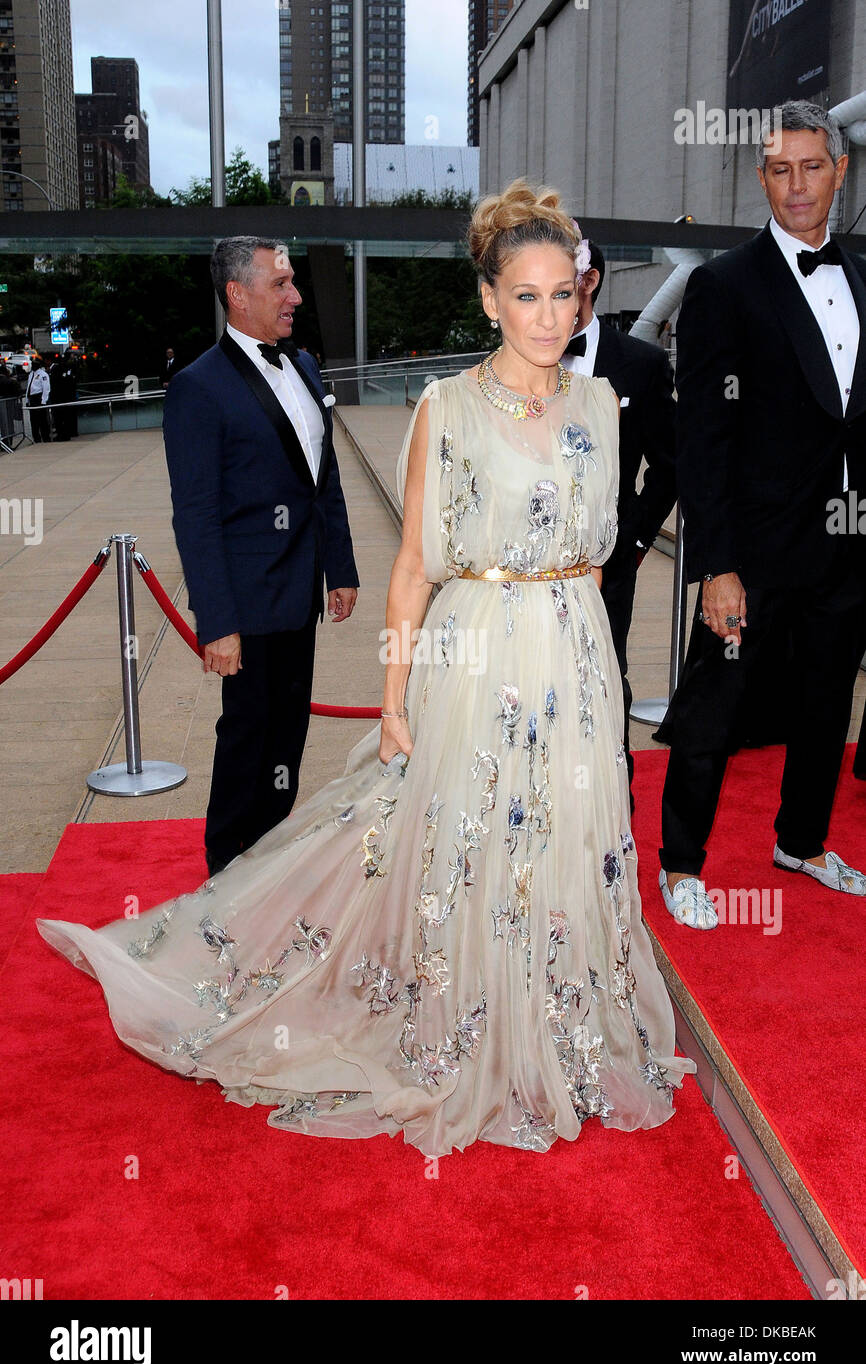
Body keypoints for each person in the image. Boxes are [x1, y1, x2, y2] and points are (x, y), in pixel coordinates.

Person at [37, 182, 695, 1157]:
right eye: (526, 295)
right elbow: (416, 567)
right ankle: (464, 1022)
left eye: (565, 293)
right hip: (475, 654)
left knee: (565, 837)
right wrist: (393, 696)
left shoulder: (599, 402)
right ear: (487, 299)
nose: (549, 315)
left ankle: (556, 1017)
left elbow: (594, 550)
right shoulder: (448, 406)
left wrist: (585, 653)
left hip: (576, 651)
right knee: (465, 841)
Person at [656, 100, 866, 931]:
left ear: (840, 171)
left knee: (825, 701)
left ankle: (803, 842)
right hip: (752, 547)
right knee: (717, 702)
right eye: (780, 170)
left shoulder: (861, 281)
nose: (797, 185)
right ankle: (680, 864)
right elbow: (701, 434)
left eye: (812, 167)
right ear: (761, 179)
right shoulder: (722, 285)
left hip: (848, 543)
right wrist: (715, 562)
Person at [162, 236, 359, 877]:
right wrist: (215, 621)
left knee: (289, 731)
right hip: (244, 600)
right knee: (247, 735)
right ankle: (225, 871)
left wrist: (342, 566)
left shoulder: (302, 365)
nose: (295, 296)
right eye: (281, 284)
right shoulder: (198, 387)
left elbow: (322, 477)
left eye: (295, 282)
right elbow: (194, 515)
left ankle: (271, 863)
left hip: (300, 590)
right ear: (237, 295)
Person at [561, 240, 677, 804]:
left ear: (591, 281)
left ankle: (611, 814)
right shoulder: (515, 360)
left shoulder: (642, 364)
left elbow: (670, 465)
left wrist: (630, 540)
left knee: (605, 683)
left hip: (607, 565)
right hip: (524, 568)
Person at [49, 350, 78, 441]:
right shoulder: (63, 368)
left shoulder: (57, 369)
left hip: (59, 397)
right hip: (64, 397)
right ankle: (66, 433)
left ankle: (63, 434)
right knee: (65, 417)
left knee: (60, 418)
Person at [25, 357, 51, 443]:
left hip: (39, 398)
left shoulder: (43, 374)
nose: (32, 365)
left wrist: (43, 401)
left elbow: (46, 388)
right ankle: (36, 439)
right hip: (32, 399)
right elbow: (29, 387)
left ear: (38, 365)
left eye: (34, 364)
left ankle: (46, 438)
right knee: (33, 421)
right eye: (32, 364)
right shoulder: (31, 374)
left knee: (42, 420)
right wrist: (27, 400)